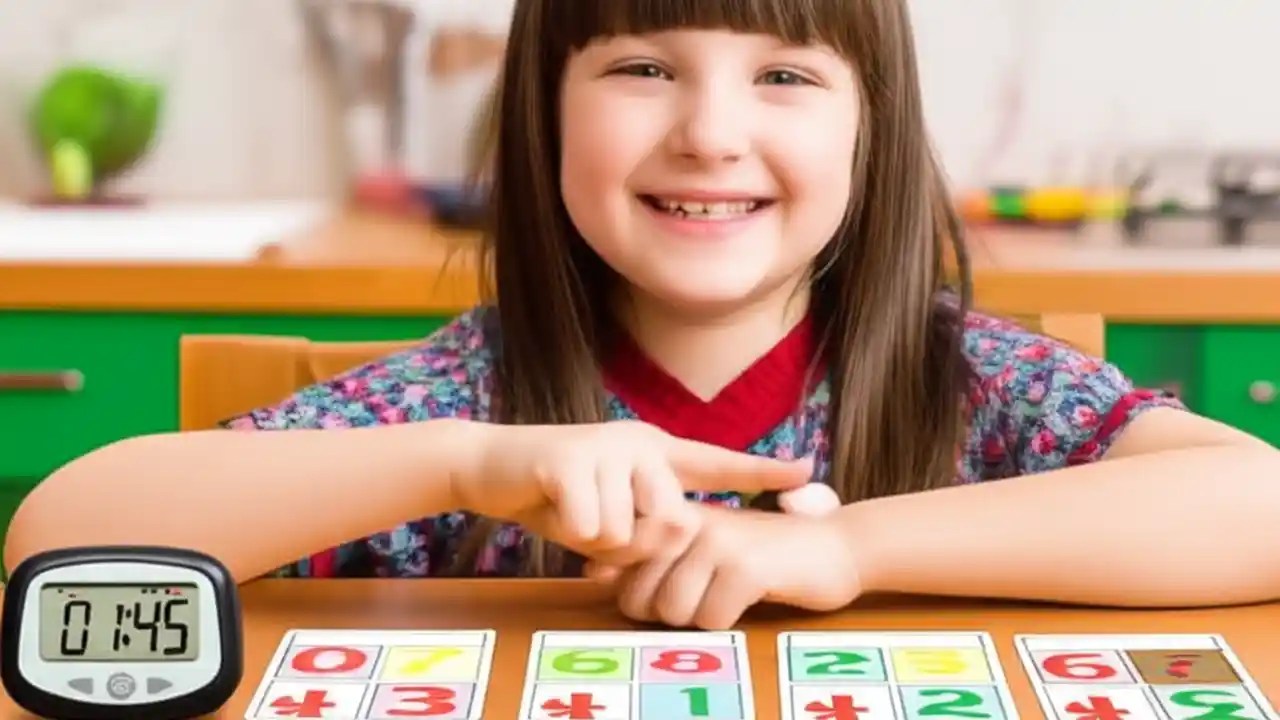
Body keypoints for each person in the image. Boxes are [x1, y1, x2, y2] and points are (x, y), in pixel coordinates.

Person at [7, 0, 1280, 631]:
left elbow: (1258, 508)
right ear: (543, 116)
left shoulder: (970, 378)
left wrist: (845, 551)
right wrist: (464, 462)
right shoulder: (467, 403)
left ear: (868, 132)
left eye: (782, 75)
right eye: (640, 68)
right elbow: (59, 541)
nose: (709, 132)